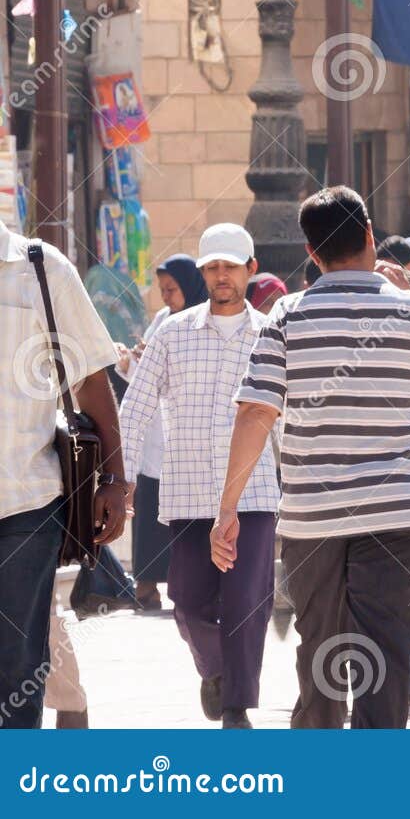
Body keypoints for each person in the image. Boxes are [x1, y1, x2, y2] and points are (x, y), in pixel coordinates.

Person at [214, 186, 410, 729]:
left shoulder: (287, 316)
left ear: (311, 253)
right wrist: (408, 293)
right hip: (395, 514)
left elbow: (256, 413)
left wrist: (227, 508)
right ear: (369, 236)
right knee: (386, 653)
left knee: (321, 650)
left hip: (313, 519)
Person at [119, 224, 280, 728]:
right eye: (212, 267)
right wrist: (121, 477)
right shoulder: (172, 333)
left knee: (246, 602)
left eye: (230, 266)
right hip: (188, 494)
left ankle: (237, 707)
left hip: (254, 494)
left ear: (251, 270)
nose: (221, 275)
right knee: (187, 602)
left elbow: (291, 416)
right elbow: (135, 407)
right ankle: (215, 671)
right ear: (203, 273)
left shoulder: (272, 335)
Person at [0, 215, 128, 729]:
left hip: (26, 506)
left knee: (18, 665)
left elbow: (91, 379)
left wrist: (114, 480)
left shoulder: (40, 267)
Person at [118, 253, 207, 612]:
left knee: (187, 518)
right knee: (150, 513)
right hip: (155, 438)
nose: (166, 297)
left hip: (188, 434)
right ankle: (146, 587)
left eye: (172, 289)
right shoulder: (161, 320)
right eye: (163, 290)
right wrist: (131, 362)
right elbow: (143, 379)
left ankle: (191, 588)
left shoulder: (203, 323)